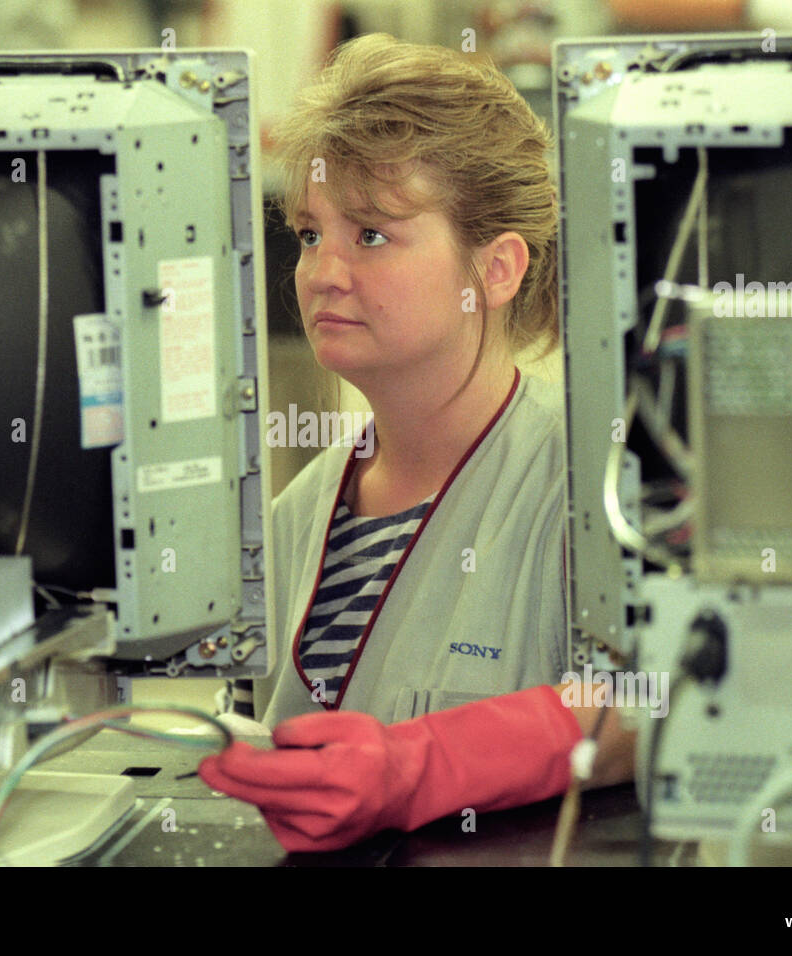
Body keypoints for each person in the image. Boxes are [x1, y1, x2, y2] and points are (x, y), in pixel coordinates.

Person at [199, 34, 635, 853]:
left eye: (370, 234)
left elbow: (666, 703)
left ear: (498, 269)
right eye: (307, 234)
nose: (322, 271)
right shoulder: (299, 513)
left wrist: (418, 764)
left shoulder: (590, 487)